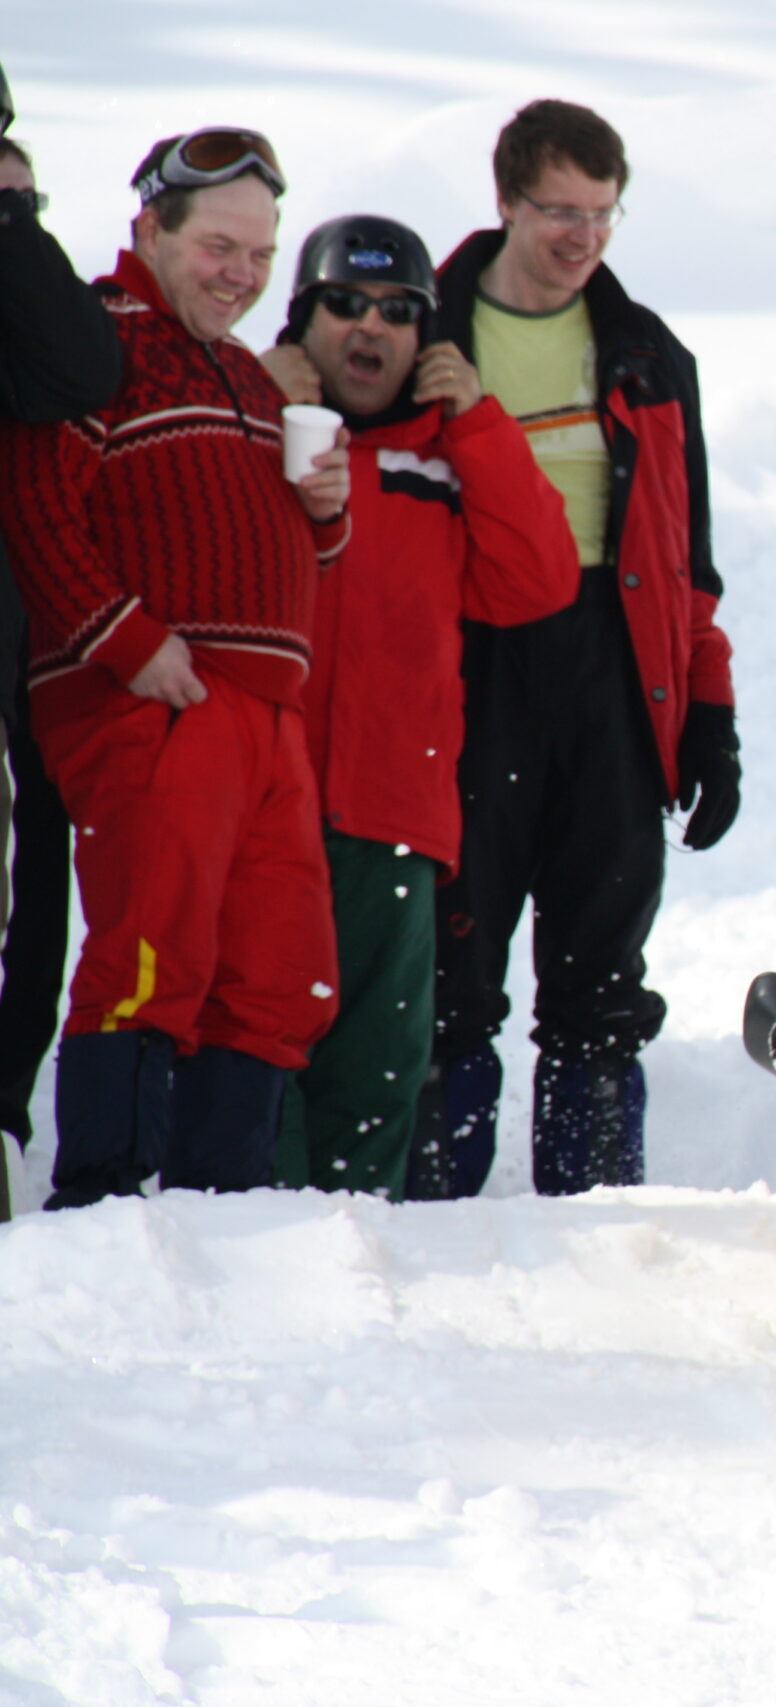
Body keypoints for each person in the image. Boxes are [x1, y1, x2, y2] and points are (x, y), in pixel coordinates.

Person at [0, 126, 352, 1210]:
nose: (241, 274)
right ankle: (106, 1203)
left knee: (275, 969)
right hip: (157, 698)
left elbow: (282, 548)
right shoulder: (92, 340)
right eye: (218, 247)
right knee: (153, 954)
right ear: (150, 229)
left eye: (260, 254)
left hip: (263, 717)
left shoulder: (246, 371)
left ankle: (221, 1208)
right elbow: (35, 501)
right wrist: (124, 640)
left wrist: (325, 517)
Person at [415, 99, 739, 1199]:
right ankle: (430, 1191)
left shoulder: (647, 351)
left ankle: (594, 1201)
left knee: (603, 948)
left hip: (610, 649)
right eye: (558, 210)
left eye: (602, 214)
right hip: (471, 655)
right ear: (505, 199)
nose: (581, 236)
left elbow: (690, 556)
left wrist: (711, 711)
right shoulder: (429, 330)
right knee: (456, 943)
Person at [256, 214, 580, 1197]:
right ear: (302, 321)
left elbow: (536, 581)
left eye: (398, 312)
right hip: (262, 814)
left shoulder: (444, 460)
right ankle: (243, 1263)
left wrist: (479, 423)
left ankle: (356, 1274)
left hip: (393, 822)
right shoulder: (255, 428)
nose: (370, 328)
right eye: (344, 305)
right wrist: (245, 405)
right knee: (258, 1057)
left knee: (369, 1085)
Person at [0, 82, 123, 1214]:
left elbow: (85, 372)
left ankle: (2, 1103)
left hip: (19, 645)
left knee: (39, 872)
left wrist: (12, 229)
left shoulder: (20, 284)